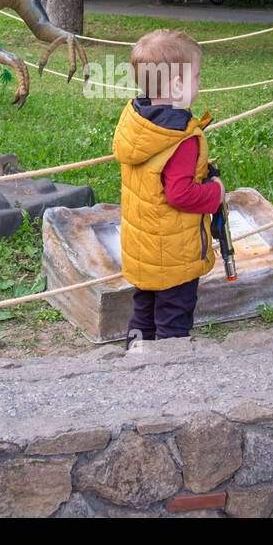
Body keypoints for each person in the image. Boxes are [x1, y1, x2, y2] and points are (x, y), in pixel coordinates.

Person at [112, 28, 224, 345]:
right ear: (176, 85)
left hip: (143, 250)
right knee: (174, 319)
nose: (200, 84)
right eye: (197, 77)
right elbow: (180, 194)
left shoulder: (138, 124)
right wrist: (216, 193)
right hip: (173, 255)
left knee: (144, 310)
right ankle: (171, 374)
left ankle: (136, 358)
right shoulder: (181, 139)